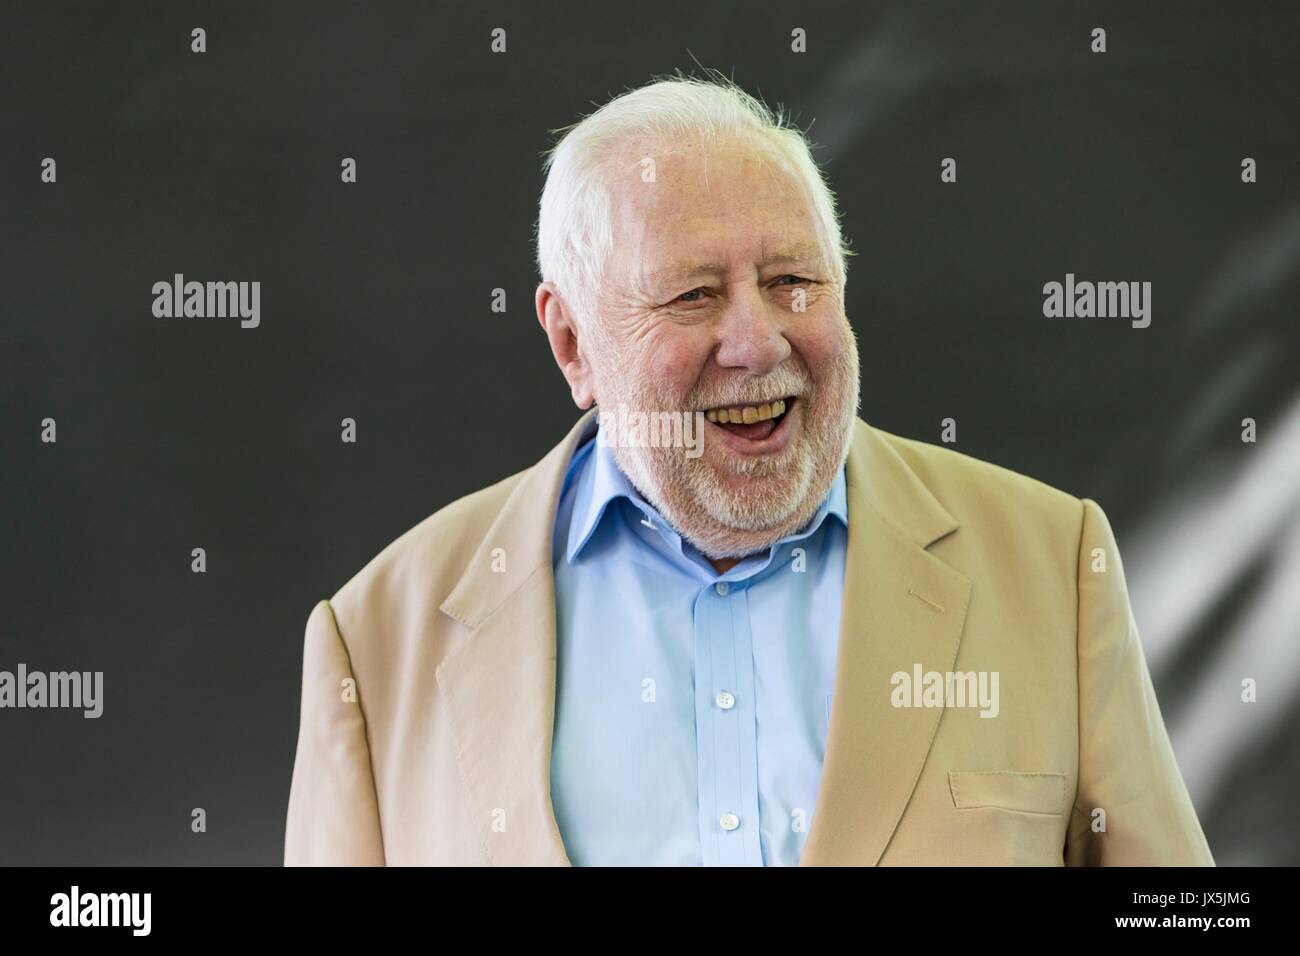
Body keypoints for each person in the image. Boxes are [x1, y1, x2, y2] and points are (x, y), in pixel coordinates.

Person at [284, 75, 1213, 866]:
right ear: (572, 343)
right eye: (693, 295)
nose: (756, 341)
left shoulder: (1054, 565)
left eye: (791, 282)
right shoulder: (375, 643)